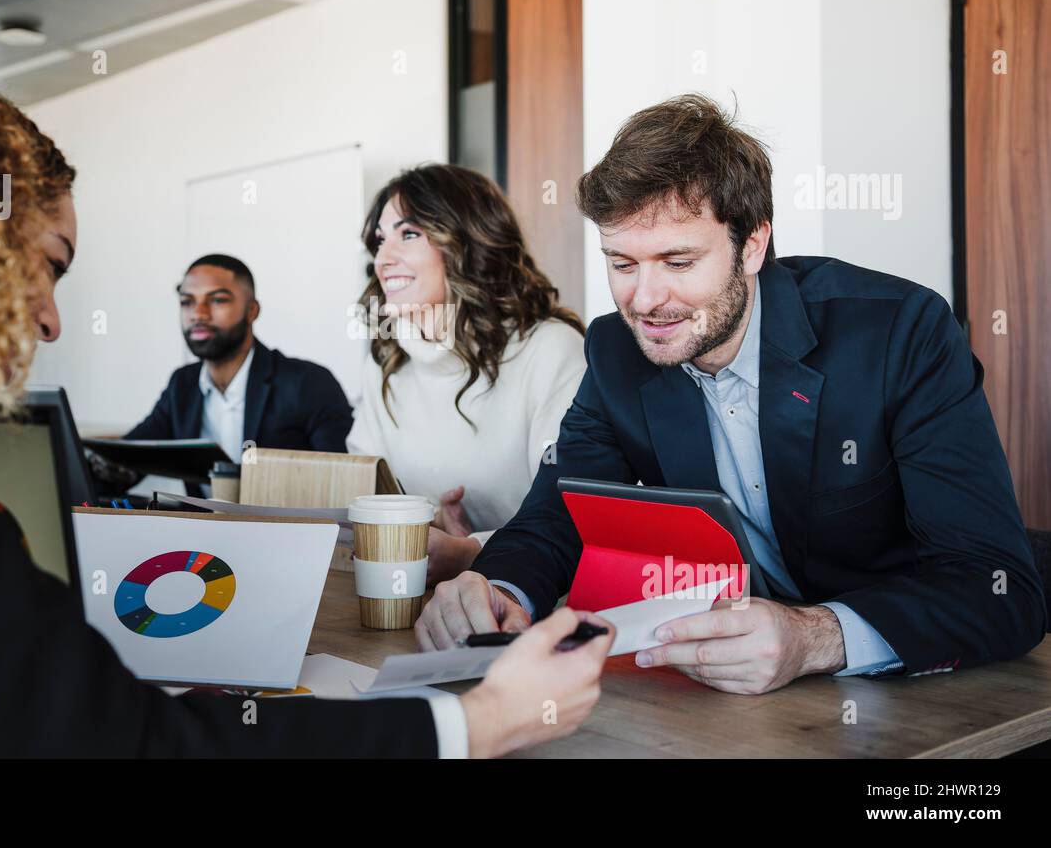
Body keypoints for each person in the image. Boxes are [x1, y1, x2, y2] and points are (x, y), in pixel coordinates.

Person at [0, 72, 614, 757]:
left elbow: (570, 514)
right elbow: (96, 736)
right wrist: (476, 725)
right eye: (50, 265)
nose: (52, 318)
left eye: (409, 234)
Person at [416, 93, 1046, 692]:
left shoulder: (900, 334)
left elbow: (1000, 588)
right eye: (623, 263)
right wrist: (498, 589)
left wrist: (815, 636)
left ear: (752, 245)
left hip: (925, 697)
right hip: (730, 700)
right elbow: (559, 513)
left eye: (678, 263)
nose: (646, 300)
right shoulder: (616, 351)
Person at [346, 165, 585, 585]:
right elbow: (361, 491)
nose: (383, 260)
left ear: (468, 240)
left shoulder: (550, 348)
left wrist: (474, 549)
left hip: (534, 594)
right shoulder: (385, 360)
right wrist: (423, 528)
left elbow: (573, 513)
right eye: (381, 240)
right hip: (416, 592)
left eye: (409, 233)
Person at [122, 254, 353, 462]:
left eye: (218, 300)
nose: (198, 314)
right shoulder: (183, 384)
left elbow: (342, 483)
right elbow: (126, 459)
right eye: (187, 302)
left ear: (252, 311)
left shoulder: (308, 383)